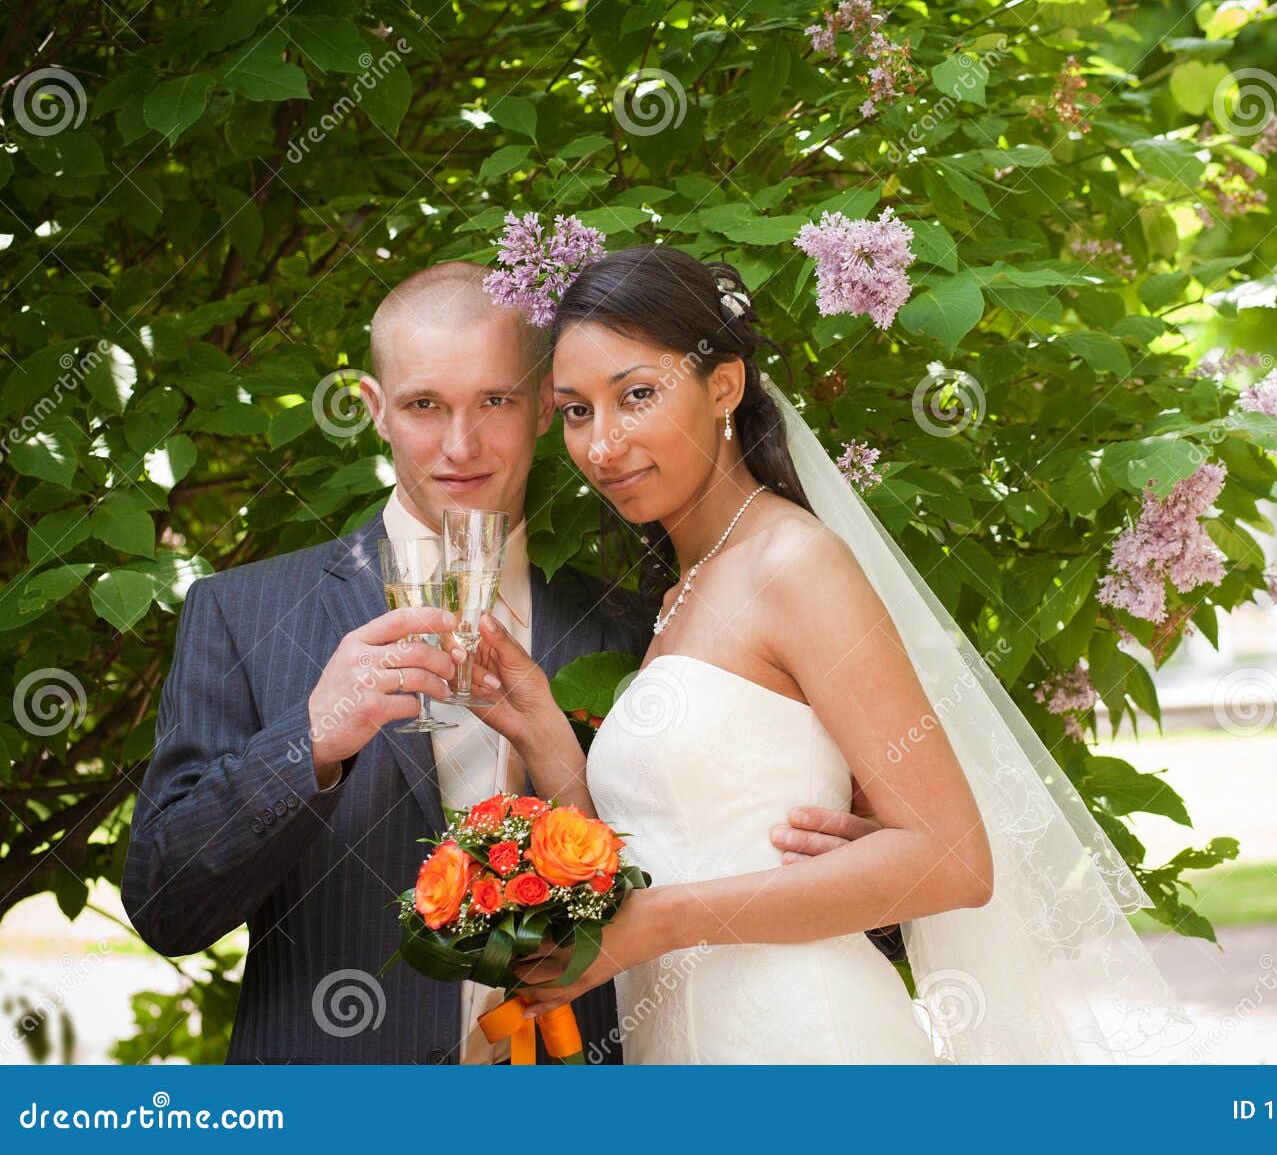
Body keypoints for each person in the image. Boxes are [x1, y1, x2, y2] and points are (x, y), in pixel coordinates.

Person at [121, 260, 872, 1063]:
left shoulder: (638, 623)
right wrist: (308, 740)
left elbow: (737, 859)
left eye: (495, 401)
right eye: (423, 406)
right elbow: (169, 908)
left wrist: (856, 876)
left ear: (545, 404)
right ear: (375, 411)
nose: (461, 445)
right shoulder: (244, 614)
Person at [464, 247, 1194, 1063]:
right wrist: (543, 732)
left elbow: (953, 860)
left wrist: (665, 922)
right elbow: (659, 852)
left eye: (637, 394)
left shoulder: (793, 564)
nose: (602, 444)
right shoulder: (683, 590)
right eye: (575, 410)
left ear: (724, 386)